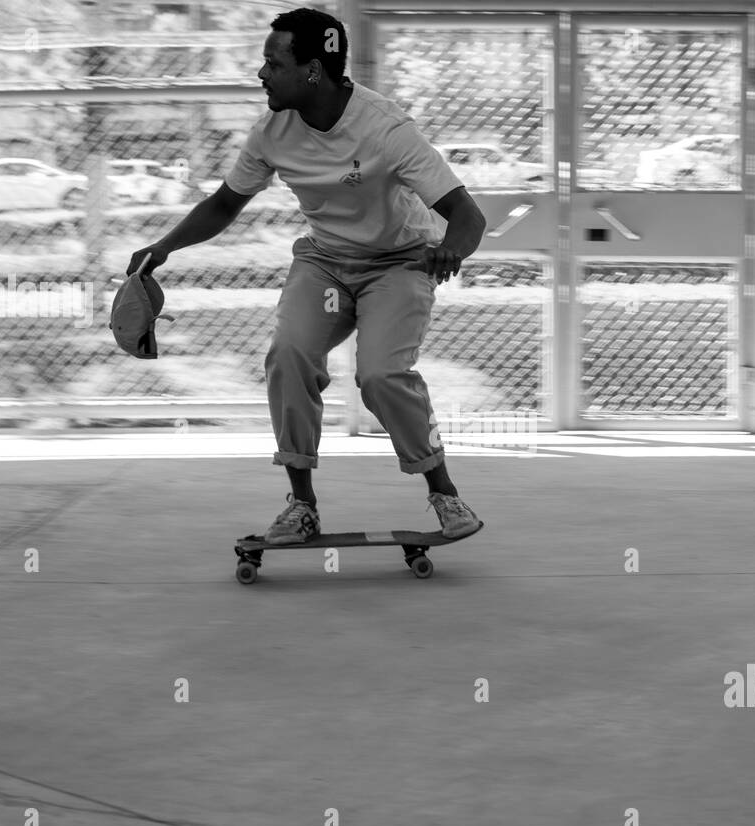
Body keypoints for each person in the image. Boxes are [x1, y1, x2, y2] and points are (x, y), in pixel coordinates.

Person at [128, 7, 487, 544]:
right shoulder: (272, 131)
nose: (262, 73)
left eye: (274, 63)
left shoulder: (386, 128)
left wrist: (451, 250)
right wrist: (164, 247)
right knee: (289, 356)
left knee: (381, 375)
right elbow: (225, 203)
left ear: (313, 70)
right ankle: (302, 506)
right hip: (325, 262)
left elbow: (467, 215)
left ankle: (444, 492)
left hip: (398, 263)